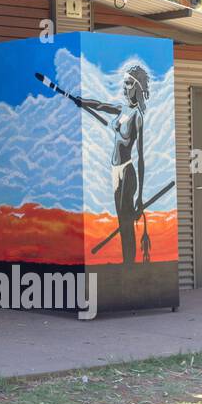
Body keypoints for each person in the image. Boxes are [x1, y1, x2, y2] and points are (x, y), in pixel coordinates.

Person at [77, 65, 151, 264]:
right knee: (122, 218)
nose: (124, 87)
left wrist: (140, 197)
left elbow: (141, 157)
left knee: (127, 219)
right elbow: (100, 105)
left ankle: (129, 263)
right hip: (114, 170)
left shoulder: (137, 117)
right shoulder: (122, 109)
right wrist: (81, 102)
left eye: (128, 84)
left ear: (137, 87)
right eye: (124, 83)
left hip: (127, 171)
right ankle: (128, 261)